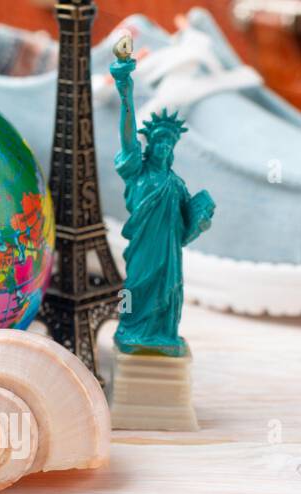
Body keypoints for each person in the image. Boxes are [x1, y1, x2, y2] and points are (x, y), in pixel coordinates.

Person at [110, 44, 215, 356]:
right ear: (150, 145)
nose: (163, 149)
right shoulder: (137, 171)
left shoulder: (175, 184)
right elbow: (128, 136)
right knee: (137, 286)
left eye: (169, 145)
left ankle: (161, 333)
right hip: (144, 248)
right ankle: (132, 329)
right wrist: (125, 89)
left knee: (166, 292)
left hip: (168, 254)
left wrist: (201, 220)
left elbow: (185, 228)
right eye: (158, 143)